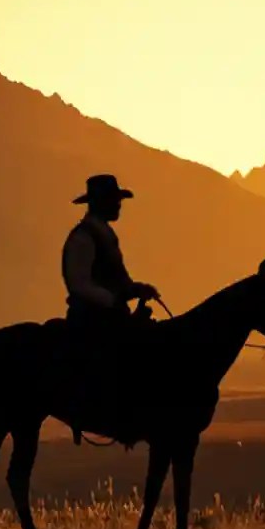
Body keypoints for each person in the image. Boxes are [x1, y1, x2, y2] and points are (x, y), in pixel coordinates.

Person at [61, 174, 159, 444]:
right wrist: (113, 299)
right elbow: (79, 282)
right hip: (92, 317)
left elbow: (118, 278)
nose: (118, 206)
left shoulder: (104, 234)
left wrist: (136, 288)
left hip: (109, 313)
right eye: (114, 201)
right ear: (100, 203)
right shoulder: (83, 238)